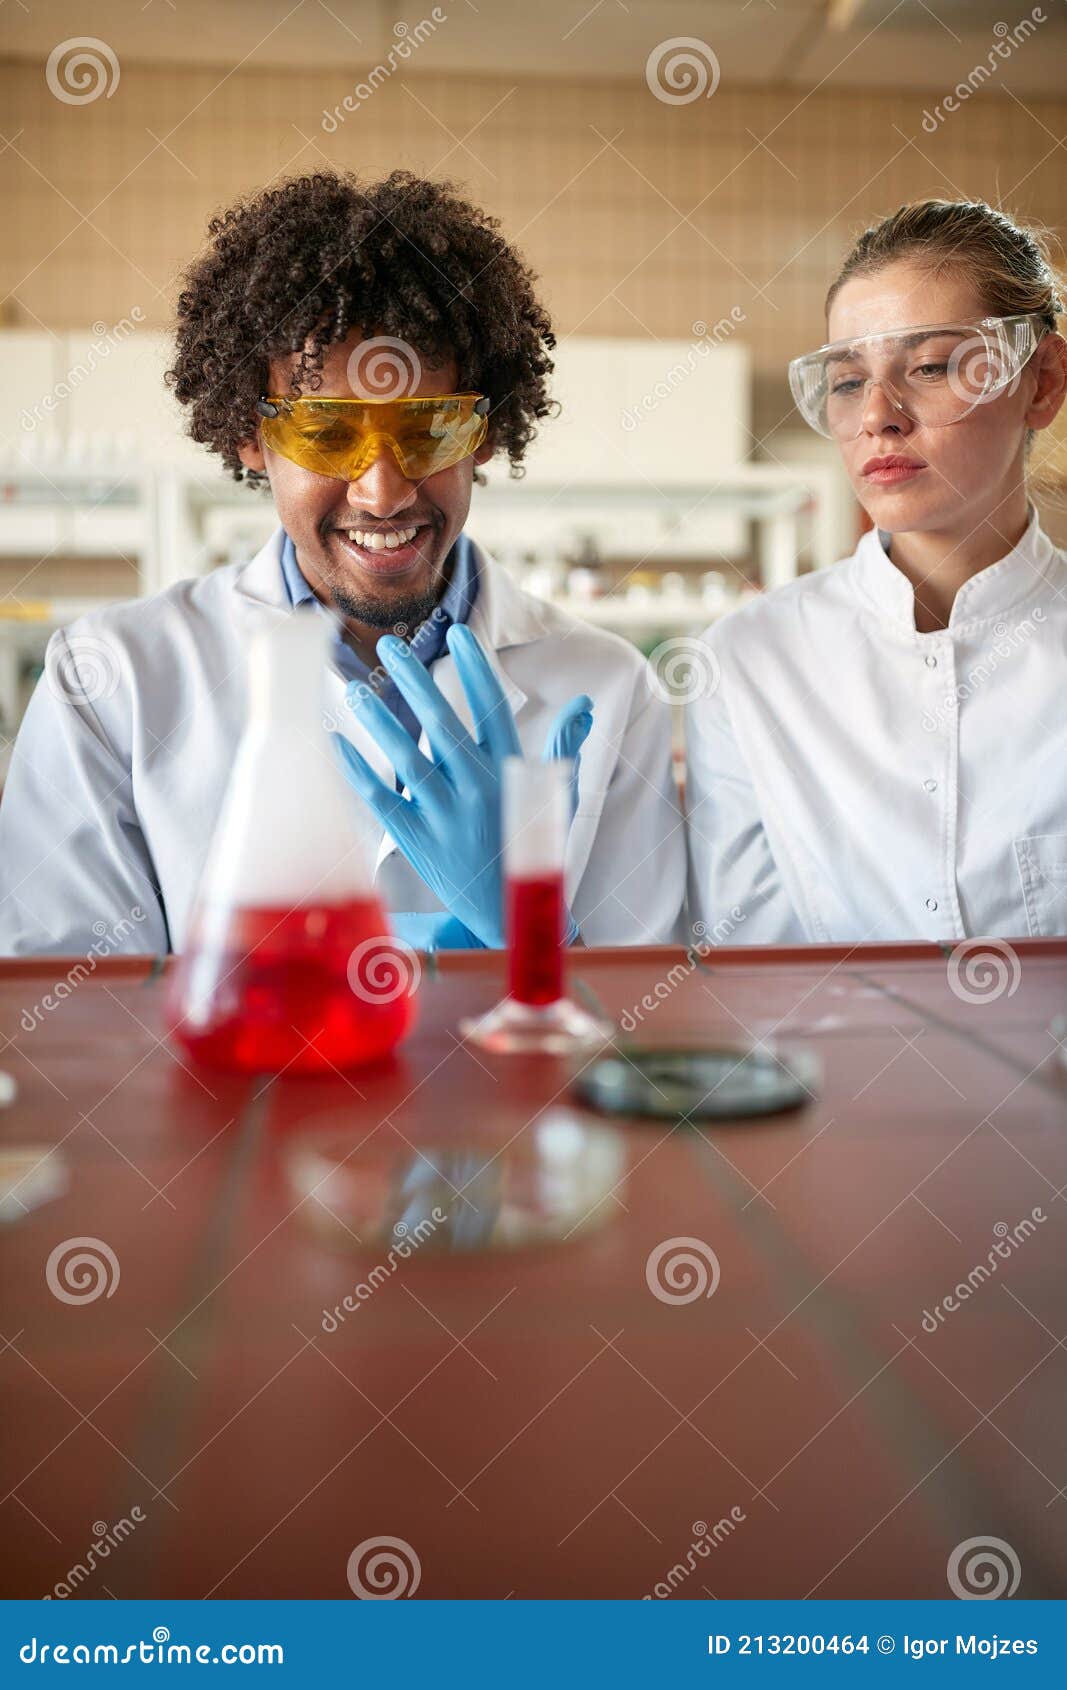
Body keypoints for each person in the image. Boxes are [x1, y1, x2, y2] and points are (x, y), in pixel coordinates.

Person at [0, 171, 684, 956]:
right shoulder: (109, 681)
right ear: (250, 437)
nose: (383, 492)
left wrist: (534, 939)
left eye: (427, 431)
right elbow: (70, 1009)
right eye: (326, 435)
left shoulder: (610, 685)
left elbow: (646, 1010)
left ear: (484, 436)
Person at [686, 198, 1067, 944]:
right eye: (847, 381)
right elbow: (748, 965)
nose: (877, 416)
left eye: (929, 367)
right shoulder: (748, 660)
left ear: (1043, 381)